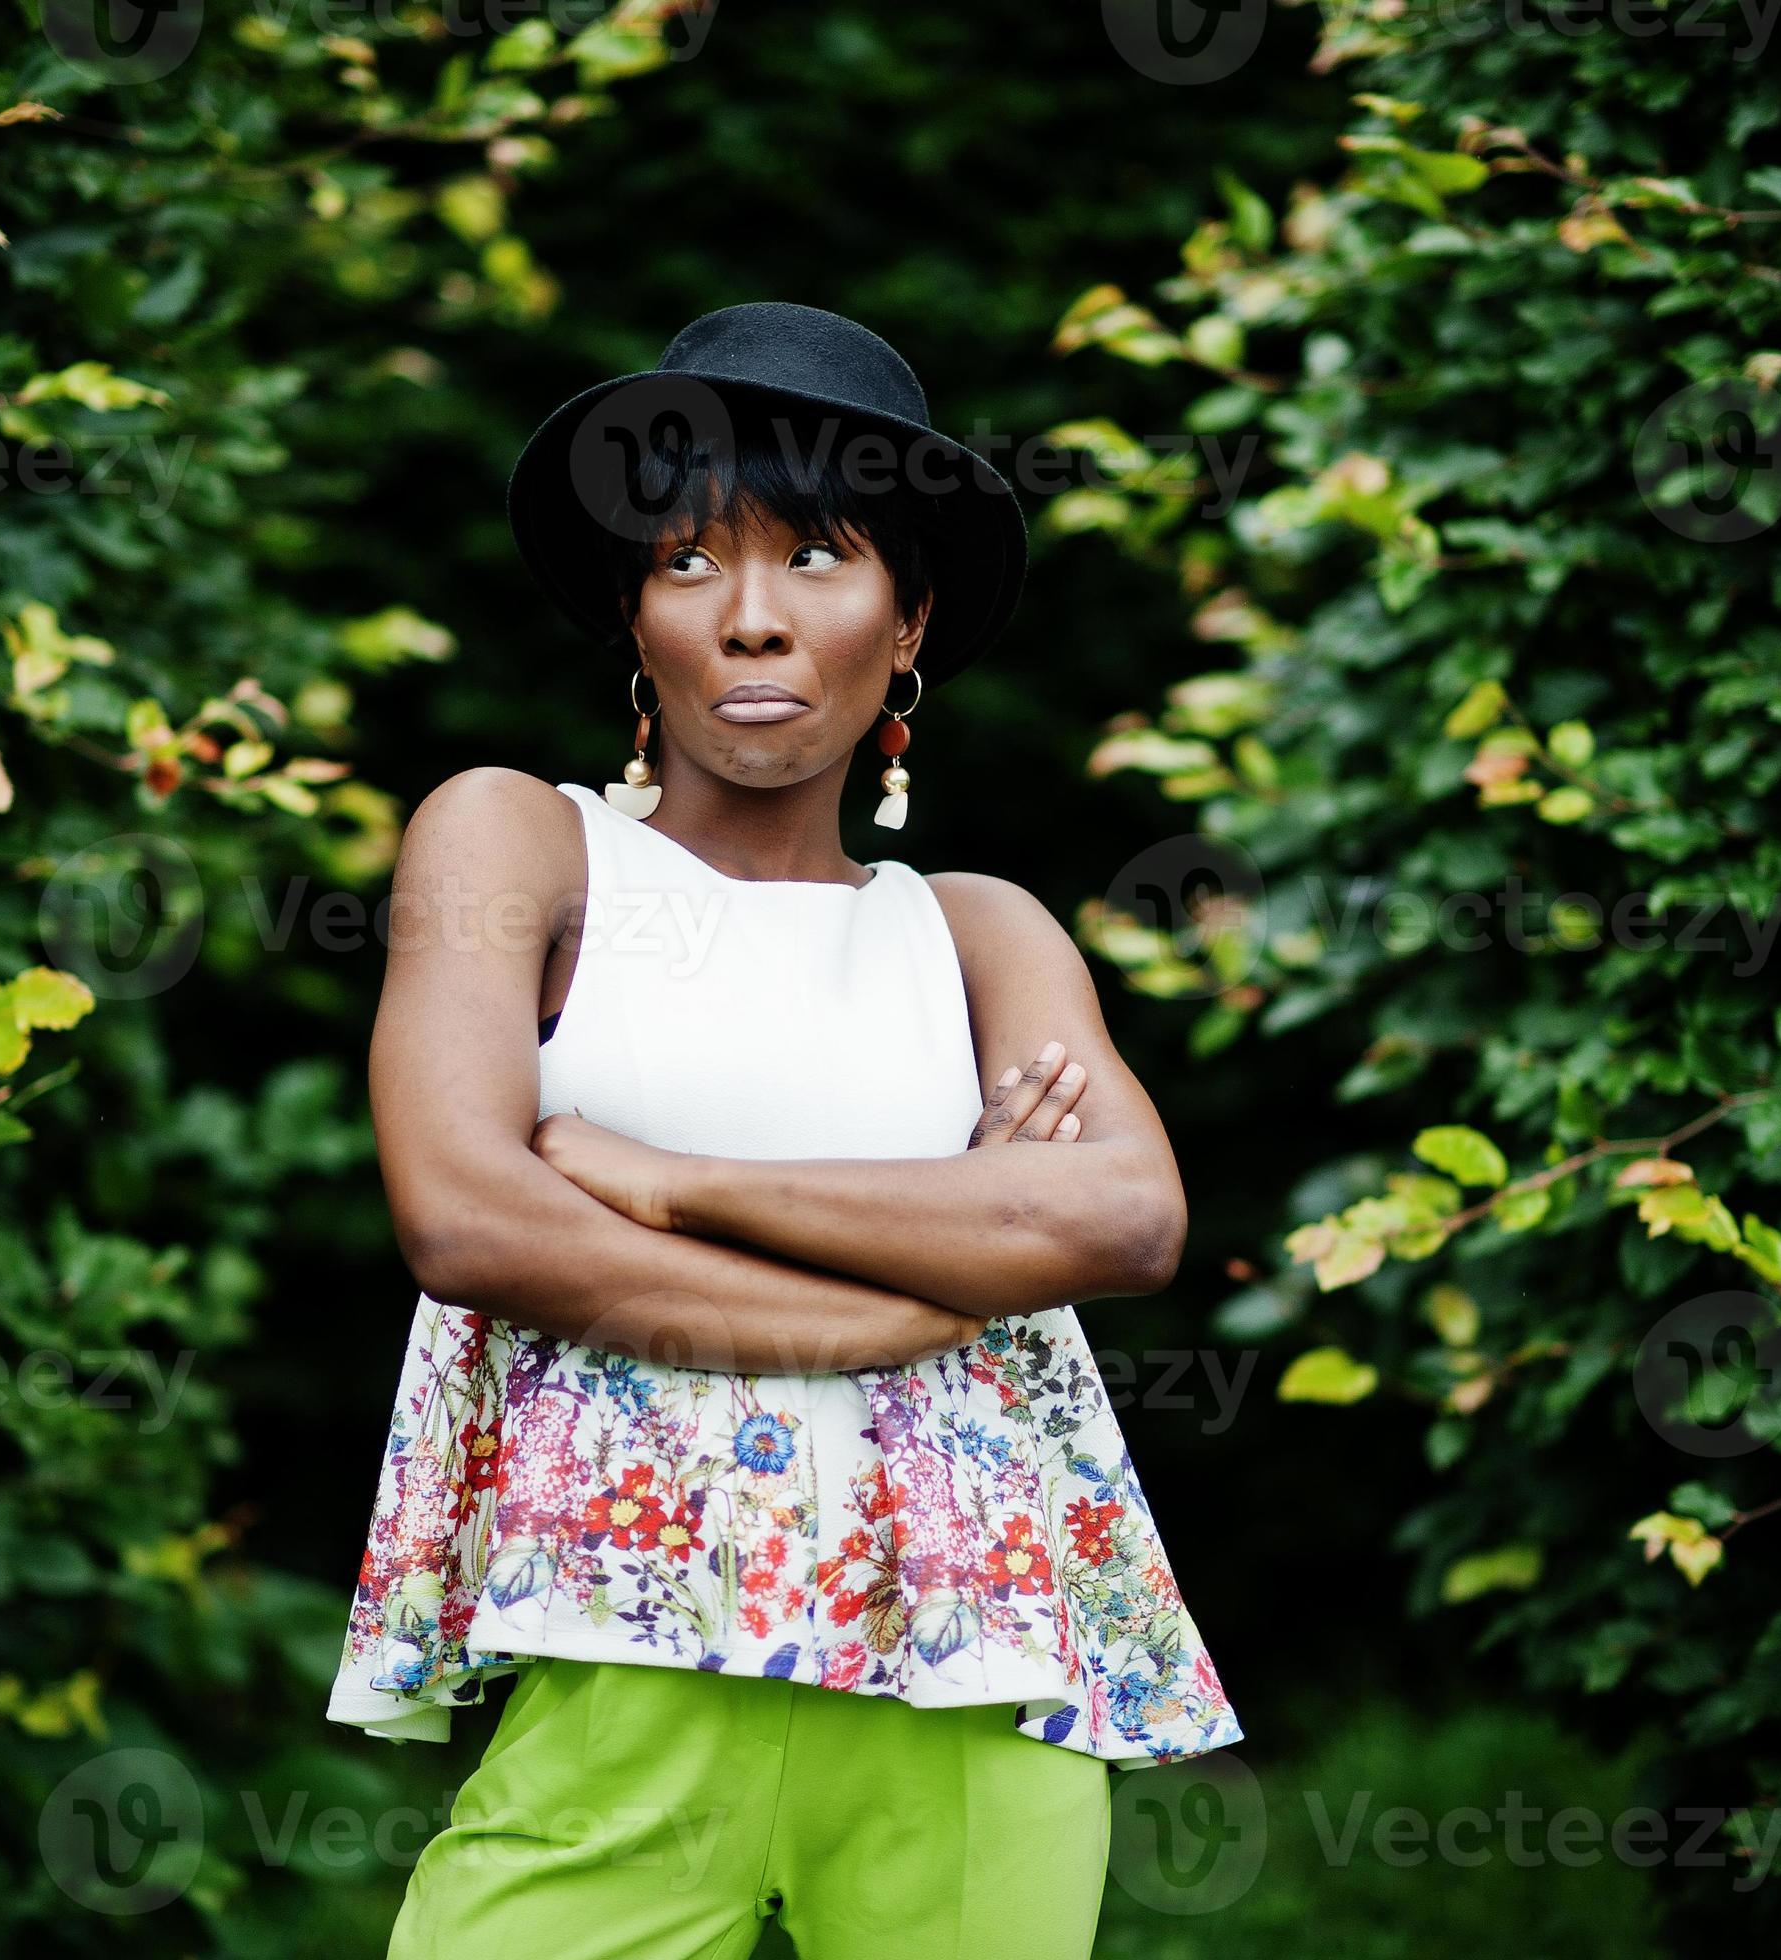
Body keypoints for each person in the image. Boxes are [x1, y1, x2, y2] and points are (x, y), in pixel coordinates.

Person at [333, 302, 1241, 1959]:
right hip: (625, 1663)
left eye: (817, 557)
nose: (751, 620)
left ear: (908, 625)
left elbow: (1122, 1223)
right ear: (635, 619)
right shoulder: (517, 844)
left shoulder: (976, 932)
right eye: (688, 564)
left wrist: (669, 1184)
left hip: (976, 1678)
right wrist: (928, 1283)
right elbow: (470, 1222)